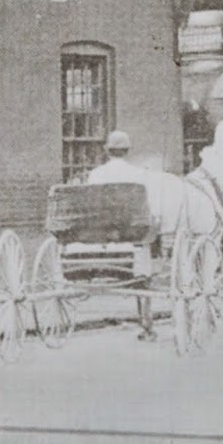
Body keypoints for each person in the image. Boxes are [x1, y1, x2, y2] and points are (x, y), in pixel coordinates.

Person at [86, 130, 161, 340]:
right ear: (127, 151)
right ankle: (146, 324)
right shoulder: (139, 175)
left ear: (107, 150)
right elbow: (148, 208)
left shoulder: (96, 175)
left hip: (100, 236)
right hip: (131, 236)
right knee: (143, 273)